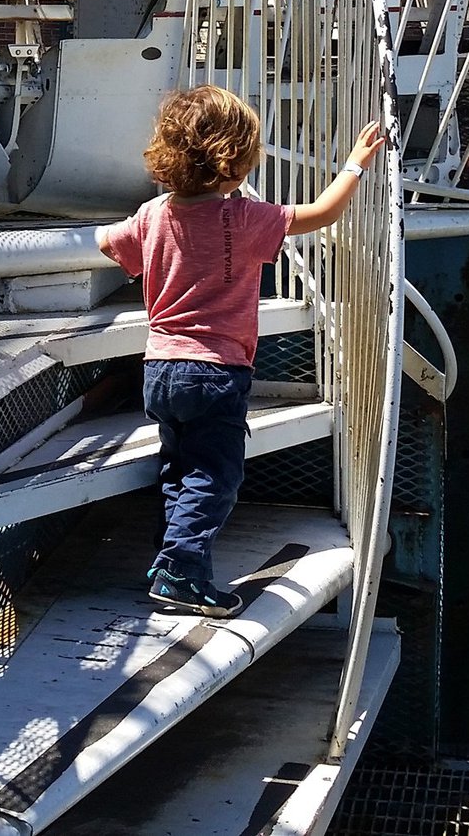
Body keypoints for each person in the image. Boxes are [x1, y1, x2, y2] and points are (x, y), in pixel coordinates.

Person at [96, 86, 388, 617]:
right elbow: (323, 213)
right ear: (234, 163)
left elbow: (109, 242)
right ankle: (182, 573)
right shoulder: (246, 220)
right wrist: (355, 165)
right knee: (217, 474)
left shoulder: (153, 213)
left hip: (160, 367)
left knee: (179, 470)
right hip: (216, 372)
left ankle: (174, 559)